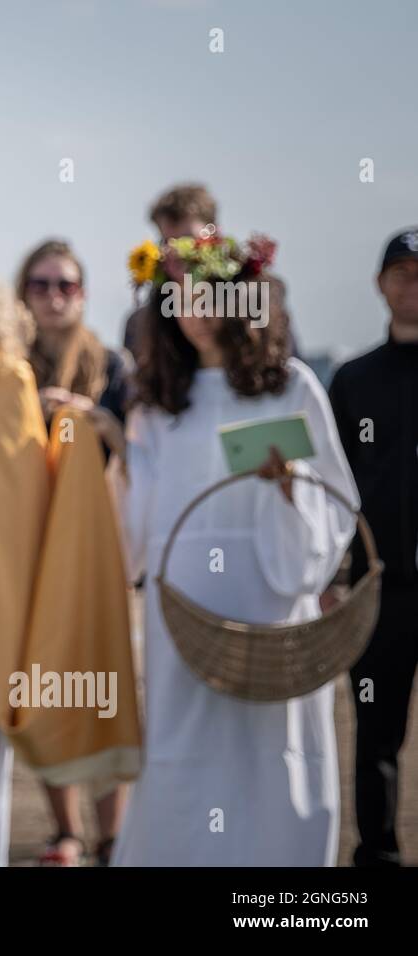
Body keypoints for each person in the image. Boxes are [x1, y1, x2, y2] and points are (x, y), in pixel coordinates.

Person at [111, 234, 357, 866]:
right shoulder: (159, 403)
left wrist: (287, 493)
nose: (195, 308)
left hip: (270, 601)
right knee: (186, 752)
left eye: (208, 291)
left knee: (272, 752)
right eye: (181, 296)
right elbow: (132, 522)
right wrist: (115, 454)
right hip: (185, 612)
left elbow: (334, 501)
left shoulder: (291, 386)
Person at [17, 238, 132, 865]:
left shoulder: (114, 365)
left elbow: (140, 452)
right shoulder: (9, 364)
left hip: (99, 550)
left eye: (65, 285)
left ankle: (112, 834)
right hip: (32, 547)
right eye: (40, 285)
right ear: (22, 293)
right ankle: (65, 830)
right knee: (45, 683)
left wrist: (92, 418)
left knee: (104, 681)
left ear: (84, 294)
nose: (54, 297)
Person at [328, 226, 418, 867]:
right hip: (380, 585)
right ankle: (377, 856)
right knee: (376, 730)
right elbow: (330, 490)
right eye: (403, 273)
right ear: (381, 285)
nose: (414, 285)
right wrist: (336, 573)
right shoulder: (353, 380)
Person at [123, 183, 299, 363]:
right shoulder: (143, 323)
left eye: (189, 241)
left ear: (216, 234)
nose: (177, 253)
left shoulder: (258, 302)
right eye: (167, 243)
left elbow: (282, 372)